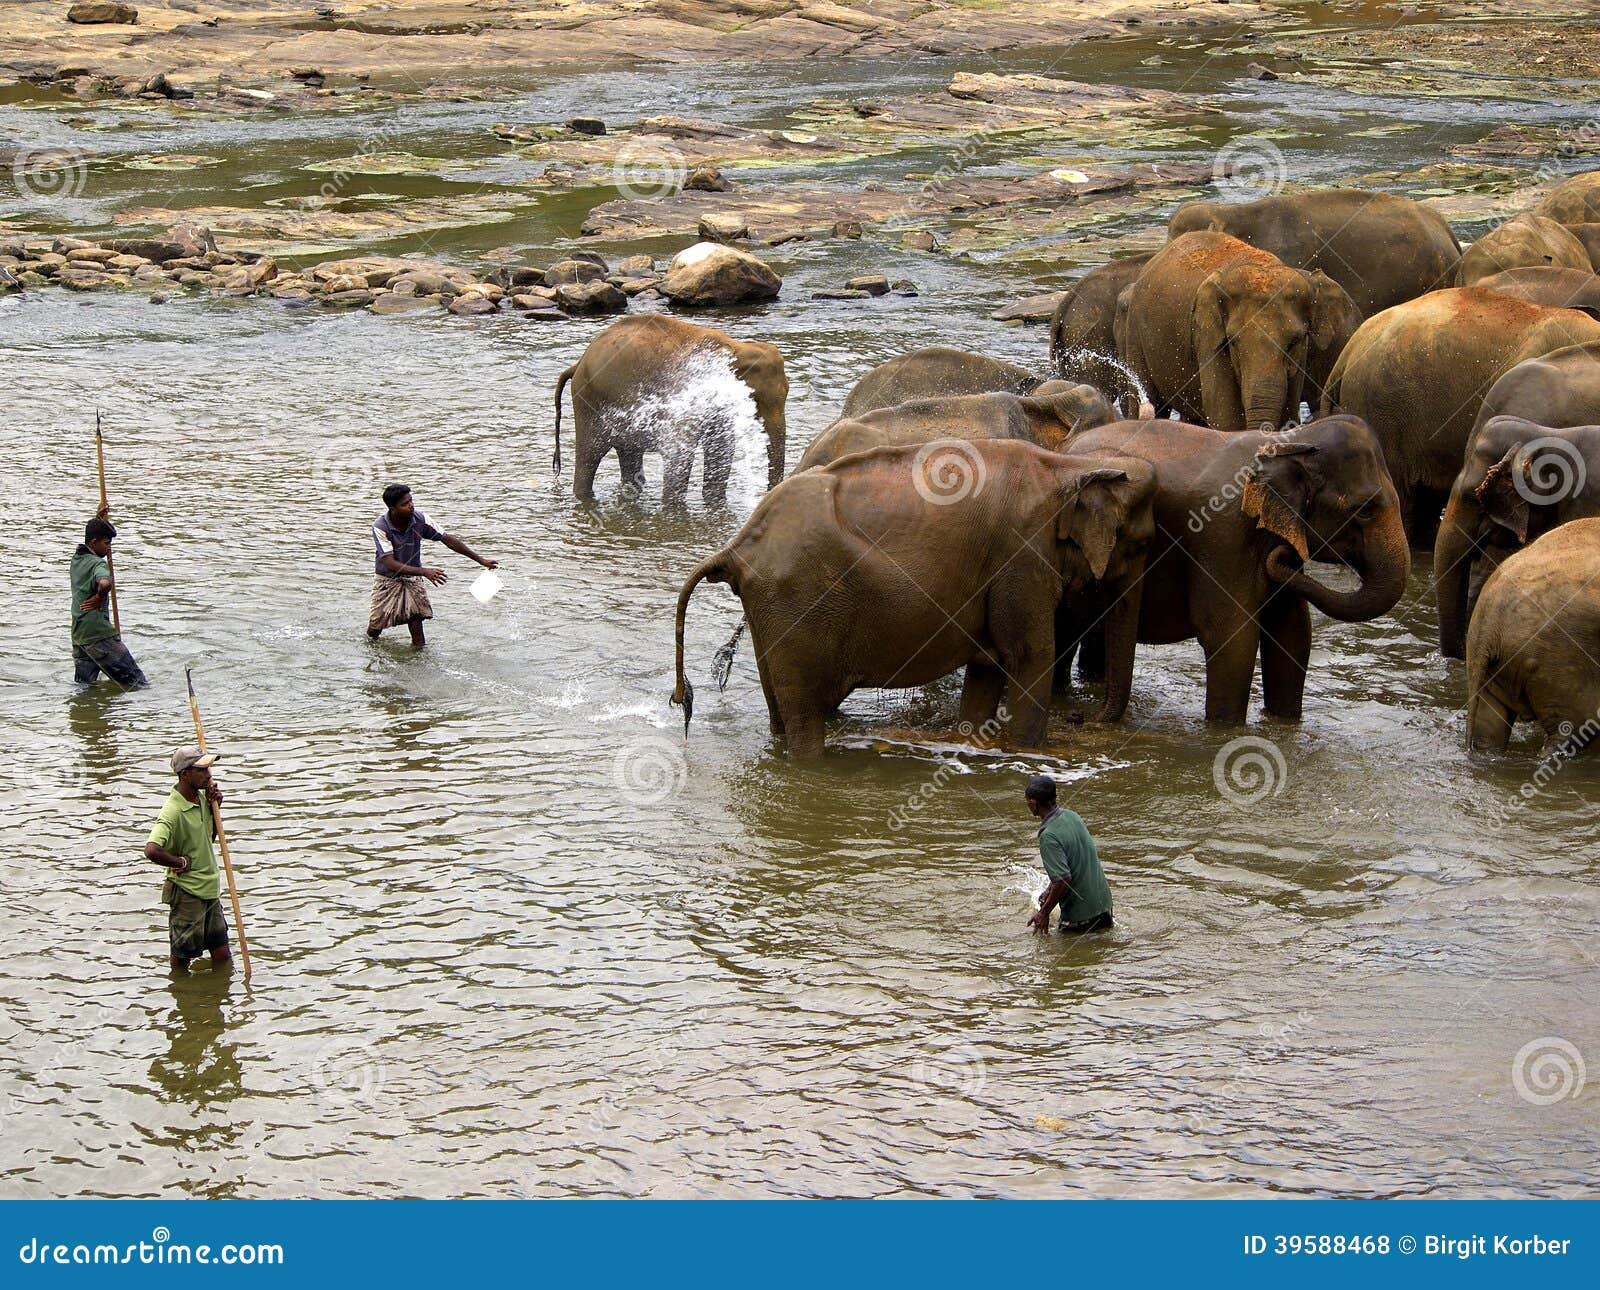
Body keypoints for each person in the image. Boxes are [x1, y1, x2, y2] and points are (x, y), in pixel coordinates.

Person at [367, 483, 498, 648]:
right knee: (377, 624)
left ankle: (419, 658)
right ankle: (370, 646)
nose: (411, 505)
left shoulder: (420, 520)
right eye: (405, 504)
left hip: (412, 577)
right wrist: (424, 572)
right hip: (387, 579)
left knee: (416, 617)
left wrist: (481, 560)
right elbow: (389, 563)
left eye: (411, 500)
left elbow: (448, 539)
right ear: (393, 508)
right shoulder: (381, 527)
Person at [144, 745, 230, 972]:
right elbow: (152, 850)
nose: (209, 775)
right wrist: (179, 863)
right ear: (185, 775)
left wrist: (215, 808)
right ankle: (181, 994)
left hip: (209, 887)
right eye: (202, 770)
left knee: (221, 953)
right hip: (188, 892)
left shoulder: (202, 799)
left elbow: (207, 839)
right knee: (182, 957)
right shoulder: (173, 810)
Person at [1024, 774, 1114, 934]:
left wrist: (1043, 913)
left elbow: (1063, 879)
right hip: (1104, 908)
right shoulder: (1072, 816)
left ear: (1033, 803)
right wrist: (1049, 889)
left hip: (1081, 919)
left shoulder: (1048, 836)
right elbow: (1071, 863)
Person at [70, 517, 147, 688]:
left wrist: (100, 514)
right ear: (94, 541)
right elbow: (105, 583)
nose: (109, 547)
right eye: (107, 543)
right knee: (138, 684)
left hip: (80, 635)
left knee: (85, 688)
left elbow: (92, 530)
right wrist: (99, 597)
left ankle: (89, 713)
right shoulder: (98, 564)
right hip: (99, 635)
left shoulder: (76, 559)